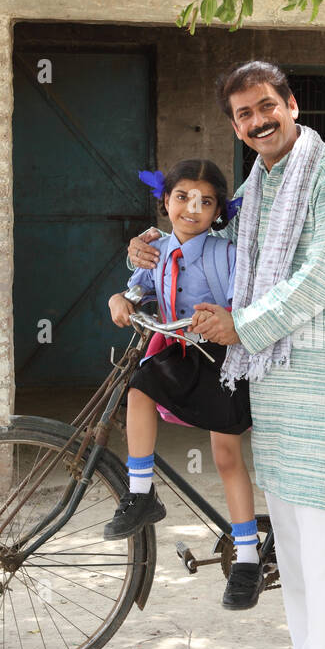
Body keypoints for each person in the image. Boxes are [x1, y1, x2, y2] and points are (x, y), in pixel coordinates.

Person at [128, 61, 325, 649]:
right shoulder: (261, 183)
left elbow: (322, 274)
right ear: (237, 125)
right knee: (292, 529)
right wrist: (153, 248)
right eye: (244, 114)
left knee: (324, 527)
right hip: (274, 376)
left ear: (290, 104)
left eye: (267, 106)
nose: (258, 121)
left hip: (323, 373)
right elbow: (224, 249)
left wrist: (244, 324)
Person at [105, 159, 261, 611]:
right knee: (139, 389)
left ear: (218, 212)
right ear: (164, 202)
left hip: (222, 358)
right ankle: (140, 493)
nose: (192, 208)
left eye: (206, 201)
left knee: (226, 455)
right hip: (180, 351)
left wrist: (225, 318)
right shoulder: (155, 250)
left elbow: (241, 301)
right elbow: (139, 291)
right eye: (182, 197)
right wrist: (121, 299)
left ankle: (247, 559)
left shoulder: (224, 253)